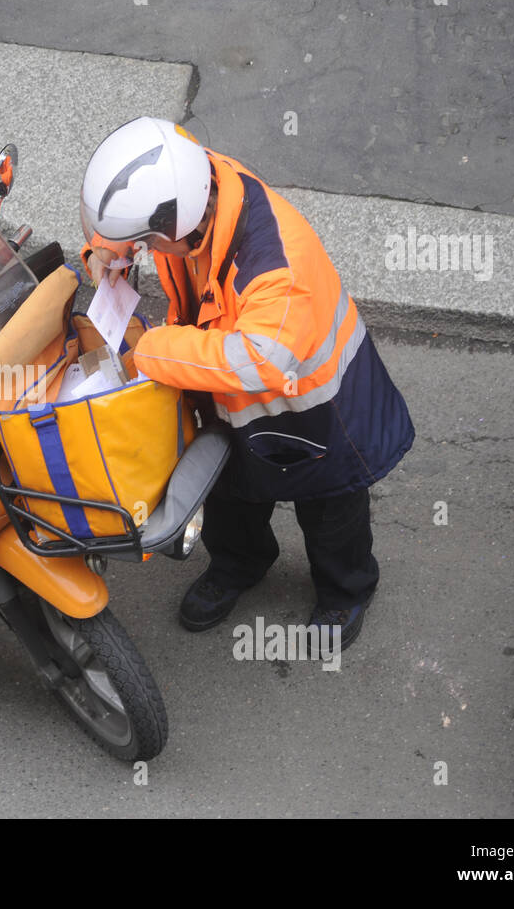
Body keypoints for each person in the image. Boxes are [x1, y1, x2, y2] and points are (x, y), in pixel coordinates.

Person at [79, 117, 414, 652]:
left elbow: (258, 360)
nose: (140, 251)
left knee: (331, 511)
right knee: (229, 492)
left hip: (319, 406)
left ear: (176, 230)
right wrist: (105, 249)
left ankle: (346, 591)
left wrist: (150, 350)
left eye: (142, 244)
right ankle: (239, 565)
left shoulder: (280, 263)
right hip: (232, 397)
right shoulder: (190, 180)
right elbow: (131, 209)